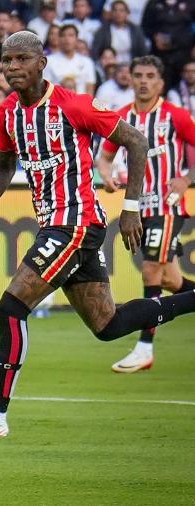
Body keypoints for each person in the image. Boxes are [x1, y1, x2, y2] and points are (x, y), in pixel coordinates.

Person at [0, 32, 195, 439]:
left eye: (21, 59)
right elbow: (3, 166)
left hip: (77, 223)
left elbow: (136, 141)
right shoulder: (7, 113)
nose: (12, 67)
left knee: (11, 307)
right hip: (56, 224)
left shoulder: (74, 105)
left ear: (41, 62)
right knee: (107, 324)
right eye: (7, 60)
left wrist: (130, 207)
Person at [96, 56, 195, 373]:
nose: (143, 81)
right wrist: (107, 176)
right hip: (138, 208)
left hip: (167, 205)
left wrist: (186, 179)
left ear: (160, 82)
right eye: (138, 75)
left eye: (150, 76)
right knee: (170, 280)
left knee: (151, 271)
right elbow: (104, 158)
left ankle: (144, 348)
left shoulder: (175, 116)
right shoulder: (123, 117)